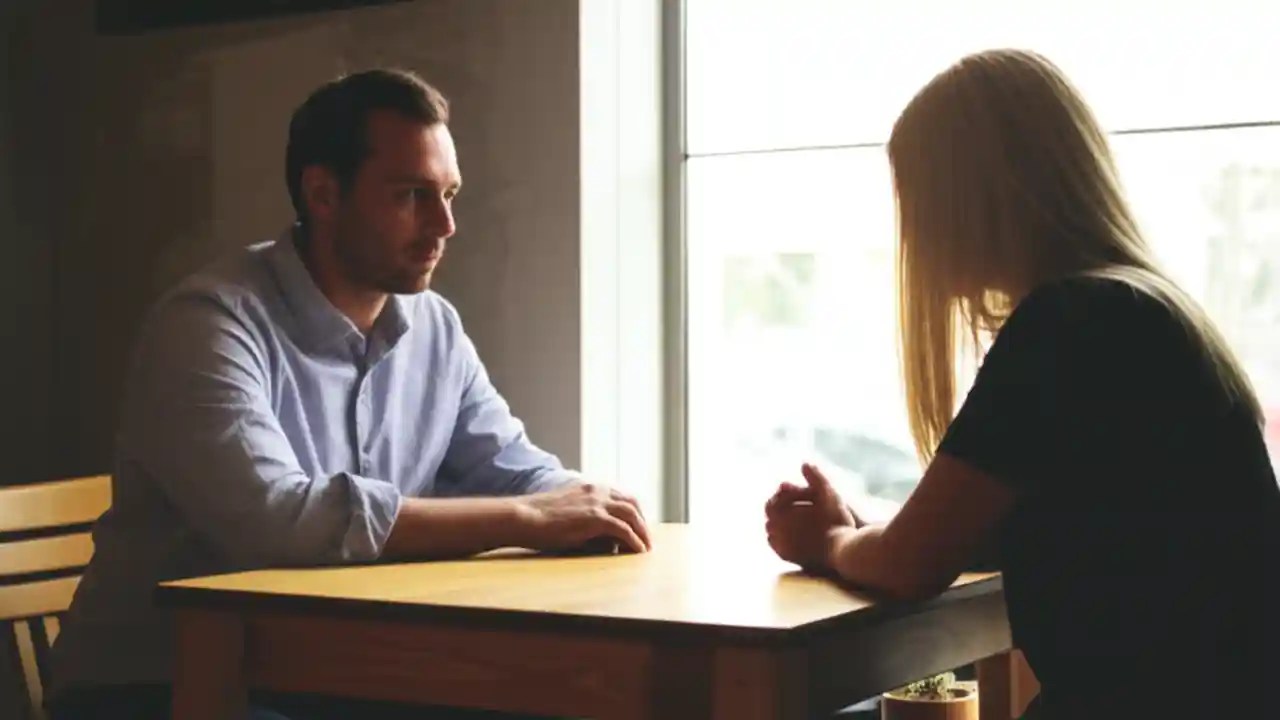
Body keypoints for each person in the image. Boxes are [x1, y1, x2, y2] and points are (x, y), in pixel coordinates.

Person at [49, 68, 650, 720]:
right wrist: (529, 521)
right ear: (323, 193)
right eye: (412, 195)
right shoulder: (208, 323)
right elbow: (275, 519)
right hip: (157, 689)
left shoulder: (434, 327)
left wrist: (588, 509)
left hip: (336, 675)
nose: (446, 224)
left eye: (450, 193)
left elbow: (514, 470)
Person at [764, 49, 1280, 719]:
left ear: (967, 199)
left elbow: (911, 566)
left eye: (917, 201)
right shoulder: (1141, 306)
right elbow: (983, 532)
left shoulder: (1069, 323)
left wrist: (828, 544)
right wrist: (865, 530)